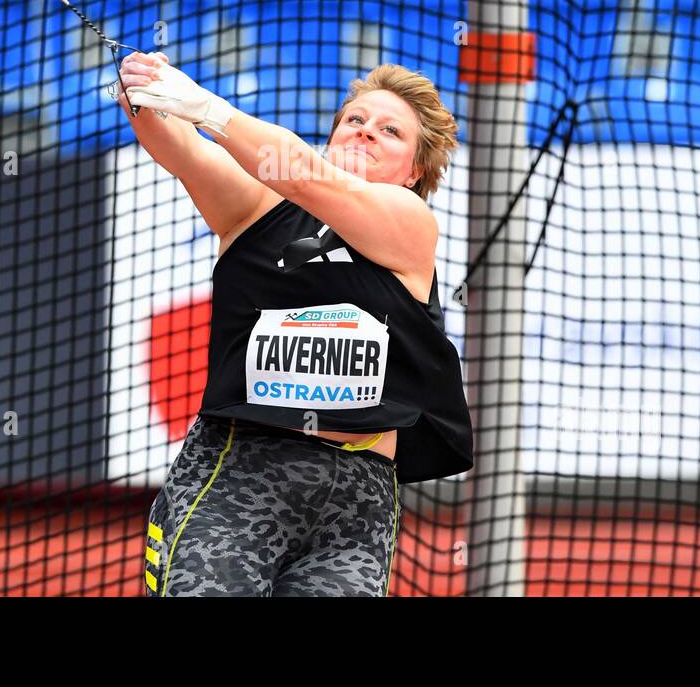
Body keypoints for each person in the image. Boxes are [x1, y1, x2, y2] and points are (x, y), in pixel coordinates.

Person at [116, 51, 473, 596]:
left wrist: (207, 106)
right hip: (238, 474)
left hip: (356, 500)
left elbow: (303, 174)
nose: (366, 132)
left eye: (389, 130)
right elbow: (184, 151)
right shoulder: (259, 207)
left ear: (415, 170)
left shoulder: (409, 222)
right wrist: (143, 94)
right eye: (354, 120)